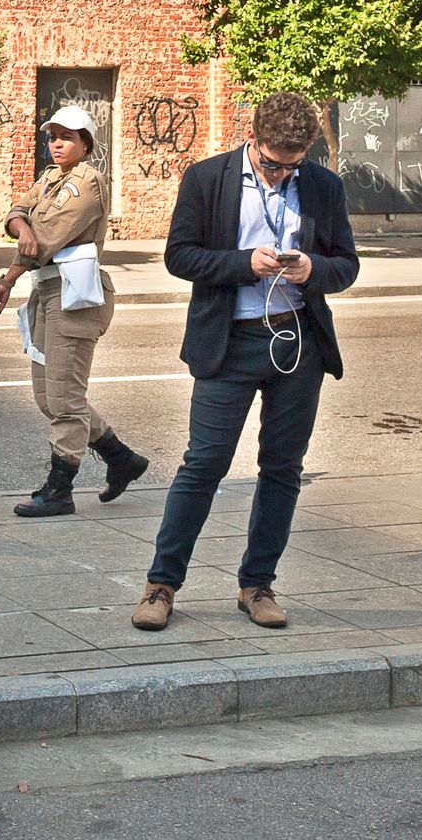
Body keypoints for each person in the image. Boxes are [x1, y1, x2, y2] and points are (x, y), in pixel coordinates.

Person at [132, 91, 360, 633]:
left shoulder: (323, 186)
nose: (282, 175)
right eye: (272, 165)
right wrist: (242, 263)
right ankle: (162, 585)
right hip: (228, 341)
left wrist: (313, 269)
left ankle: (257, 584)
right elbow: (179, 255)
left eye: (293, 167)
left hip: (297, 341)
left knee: (283, 468)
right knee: (203, 464)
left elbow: (347, 264)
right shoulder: (207, 178)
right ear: (251, 139)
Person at [0, 103, 147, 516]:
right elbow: (15, 215)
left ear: (86, 144)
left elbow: (43, 239)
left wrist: (7, 278)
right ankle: (121, 458)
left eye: (67, 137)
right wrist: (20, 227)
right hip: (47, 292)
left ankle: (59, 490)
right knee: (49, 397)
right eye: (53, 137)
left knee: (66, 401)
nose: (57, 144)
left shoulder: (86, 183)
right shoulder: (49, 179)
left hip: (73, 297)